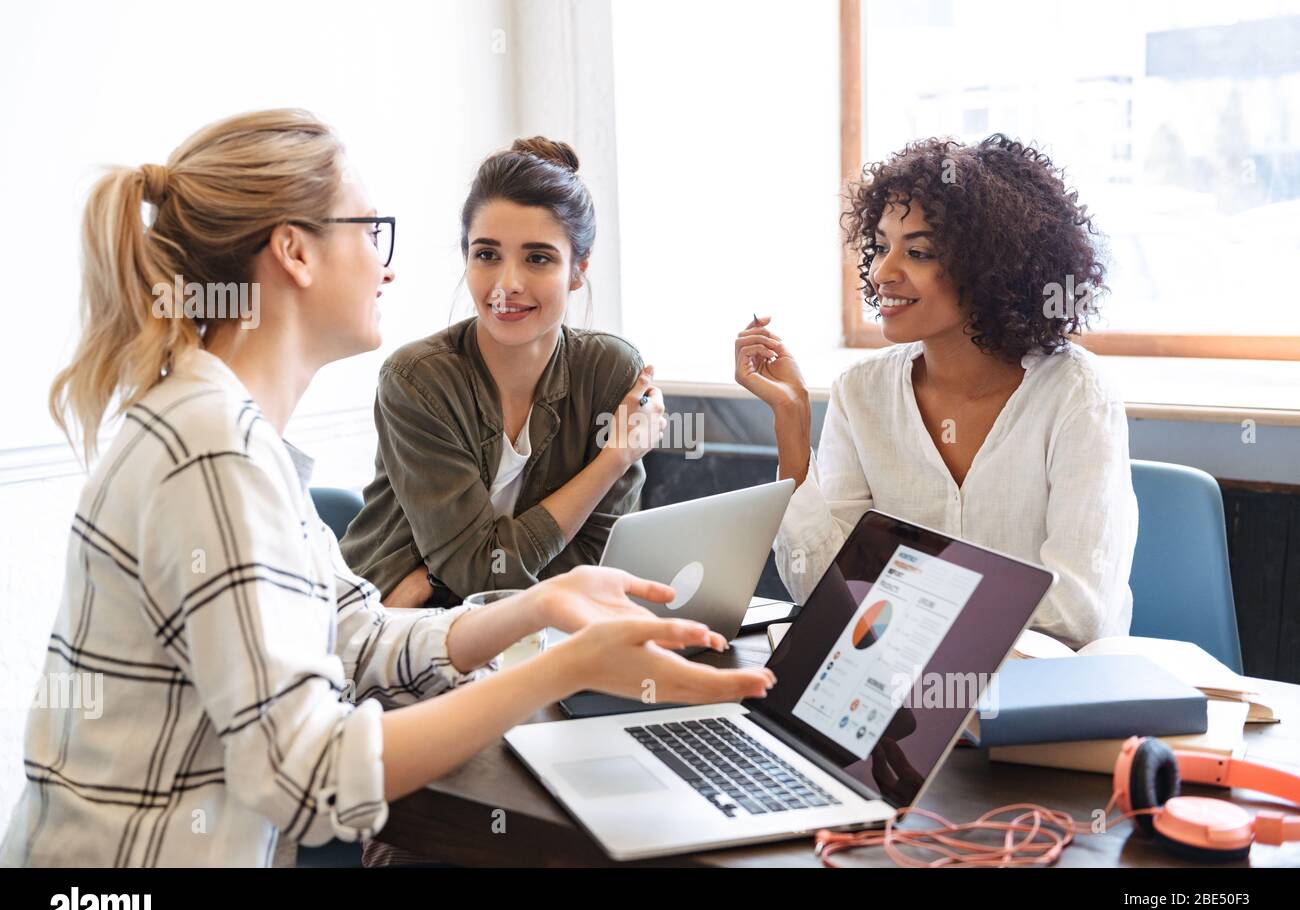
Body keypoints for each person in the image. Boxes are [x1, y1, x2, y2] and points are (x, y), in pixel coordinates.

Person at [1, 109, 773, 867]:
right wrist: (562, 665)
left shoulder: (231, 435)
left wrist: (537, 605)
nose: (389, 264)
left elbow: (356, 636)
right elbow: (304, 774)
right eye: (373, 232)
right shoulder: (212, 452)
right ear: (296, 253)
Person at [734, 135, 1138, 648]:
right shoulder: (861, 393)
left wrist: (901, 609)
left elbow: (1076, 615)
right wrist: (791, 425)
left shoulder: (1077, 395)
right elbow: (824, 593)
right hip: (895, 697)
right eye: (880, 247)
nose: (883, 272)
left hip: (1041, 702)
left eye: (918, 252)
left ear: (991, 267)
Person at [341, 137, 663, 608]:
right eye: (487, 255)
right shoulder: (417, 380)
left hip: (528, 630)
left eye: (538, 258)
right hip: (392, 629)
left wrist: (439, 578)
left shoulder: (611, 372)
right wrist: (611, 460)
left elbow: (598, 561)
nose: (506, 285)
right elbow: (478, 569)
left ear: (577, 270)